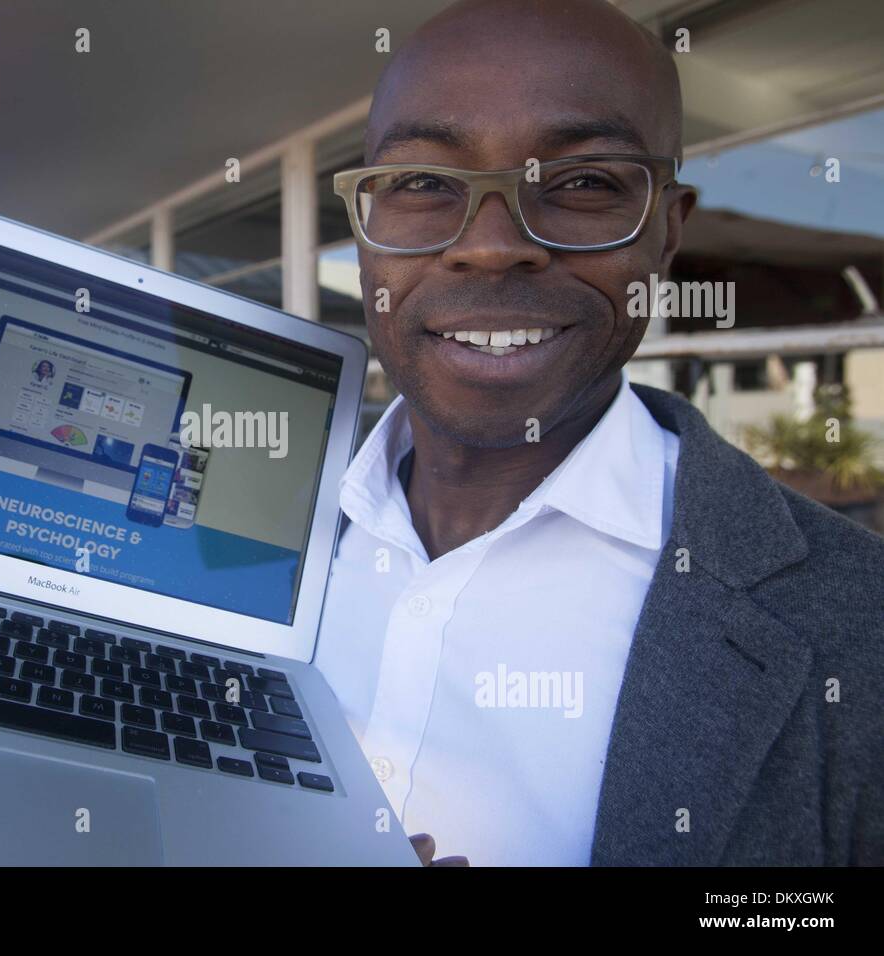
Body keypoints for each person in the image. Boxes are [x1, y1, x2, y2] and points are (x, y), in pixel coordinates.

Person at [315, 0, 883, 866]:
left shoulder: (859, 628)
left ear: (668, 230)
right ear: (365, 230)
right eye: (424, 182)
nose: (493, 247)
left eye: (584, 184)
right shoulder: (242, 533)